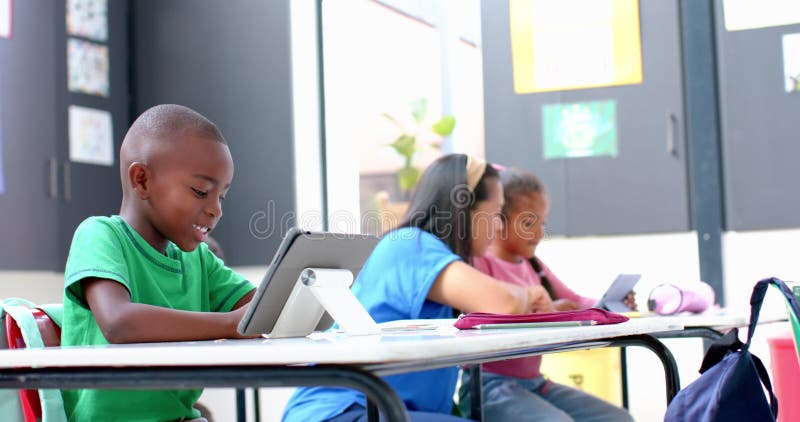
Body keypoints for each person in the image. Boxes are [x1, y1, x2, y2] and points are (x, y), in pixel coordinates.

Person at [282, 154, 555, 422]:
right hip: (345, 410)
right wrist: (530, 293)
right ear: (465, 208)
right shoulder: (410, 245)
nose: (497, 226)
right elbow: (504, 303)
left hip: (384, 409)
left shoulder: (428, 254)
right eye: (495, 214)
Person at [61, 104, 257, 422]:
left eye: (222, 196)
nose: (216, 210)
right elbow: (118, 322)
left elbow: (262, 308)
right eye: (201, 191)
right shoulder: (100, 235)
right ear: (141, 180)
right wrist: (231, 324)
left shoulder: (199, 258)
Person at [457, 167, 634, 421]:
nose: (540, 233)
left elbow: (573, 301)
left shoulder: (533, 265)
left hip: (535, 384)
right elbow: (482, 317)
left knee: (617, 418)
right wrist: (550, 314)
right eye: (529, 223)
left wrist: (606, 304)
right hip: (488, 386)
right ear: (497, 220)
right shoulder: (480, 264)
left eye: (542, 223)